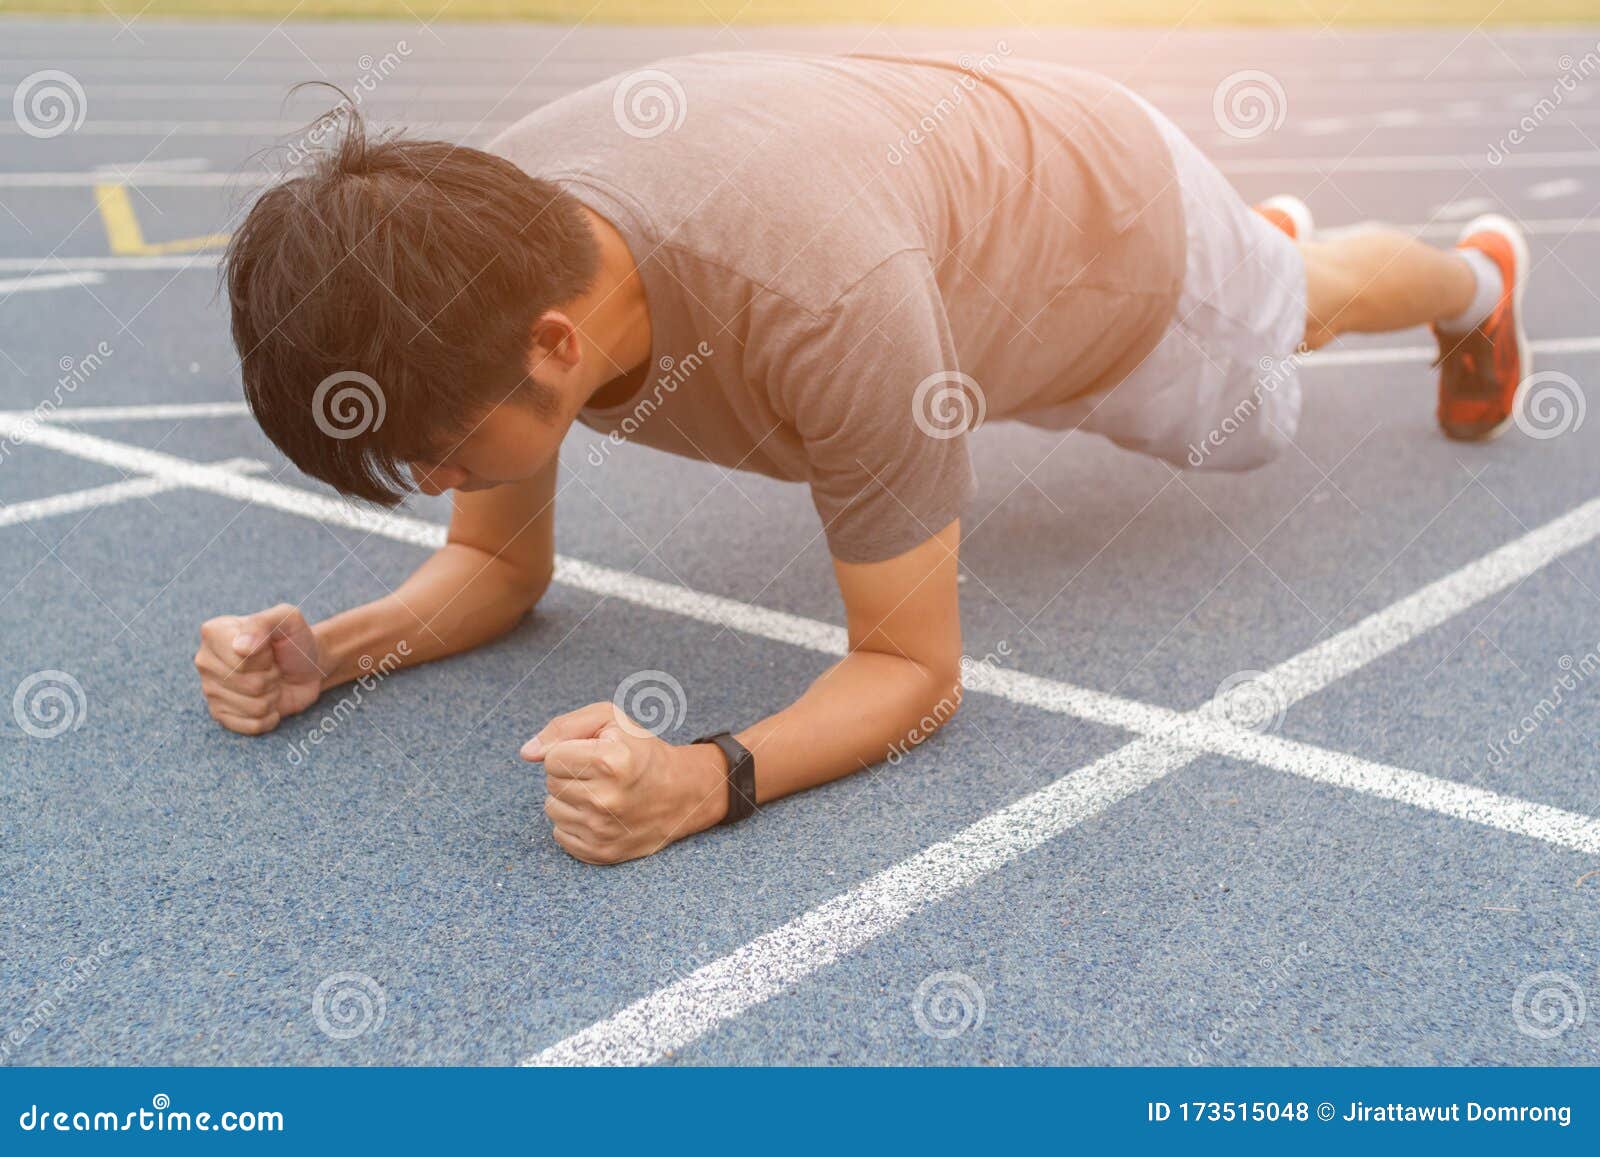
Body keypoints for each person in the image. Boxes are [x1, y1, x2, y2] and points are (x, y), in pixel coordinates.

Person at [195, 52, 1528, 864]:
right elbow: (496, 565)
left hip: (1112, 247)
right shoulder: (473, 266)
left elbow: (915, 671)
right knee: (1256, 330)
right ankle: (1264, 240)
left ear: (554, 343)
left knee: (1283, 349)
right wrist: (337, 646)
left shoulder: (826, 301)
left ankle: (1471, 280)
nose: (437, 484)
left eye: (433, 456)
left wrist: (698, 782)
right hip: (964, 221)